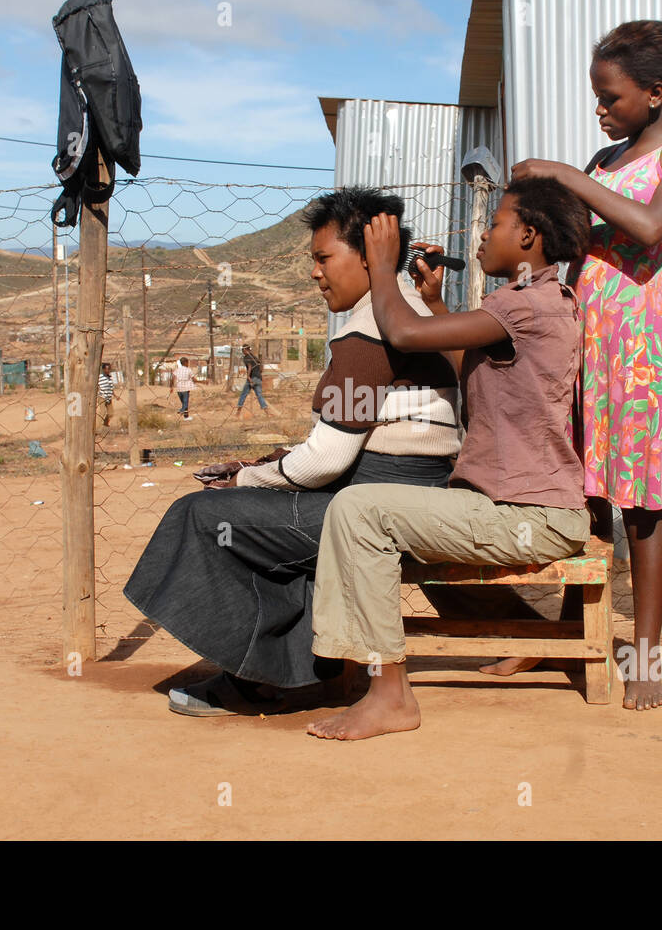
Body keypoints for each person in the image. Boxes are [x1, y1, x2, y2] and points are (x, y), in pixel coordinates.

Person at [123, 187, 461, 717]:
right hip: (417, 496)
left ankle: (263, 680)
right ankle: (311, 673)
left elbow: (326, 461)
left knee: (202, 516)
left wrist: (246, 481)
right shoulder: (418, 314)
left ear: (371, 255)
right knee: (270, 517)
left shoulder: (368, 333)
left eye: (324, 258)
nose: (315, 272)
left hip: (375, 508)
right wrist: (268, 470)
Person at [304, 176, 594, 741]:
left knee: (358, 511)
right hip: (527, 507)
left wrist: (384, 269)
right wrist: (434, 298)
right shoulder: (537, 304)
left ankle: (388, 695)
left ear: (529, 235)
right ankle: (518, 639)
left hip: (528, 514)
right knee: (406, 512)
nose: (481, 237)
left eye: (495, 224)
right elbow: (473, 368)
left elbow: (406, 332)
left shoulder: (526, 304)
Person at [508, 20, 662, 710]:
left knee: (642, 503)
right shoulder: (603, 161)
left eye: (611, 98)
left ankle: (647, 652)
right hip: (586, 335)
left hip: (640, 346)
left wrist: (565, 174)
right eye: (596, 98)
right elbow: (577, 245)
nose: (600, 110)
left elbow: (651, 227)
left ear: (655, 93)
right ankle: (572, 632)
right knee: (582, 490)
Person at [234, 344, 271, 417]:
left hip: (252, 378)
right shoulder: (255, 357)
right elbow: (261, 368)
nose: (242, 352)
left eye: (242, 350)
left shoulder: (246, 358)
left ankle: (238, 413)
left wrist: (248, 377)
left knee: (243, 395)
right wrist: (258, 375)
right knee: (259, 396)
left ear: (245, 350)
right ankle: (267, 413)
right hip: (258, 378)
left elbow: (250, 367)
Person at [98, 362, 115, 427]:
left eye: (109, 369)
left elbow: (111, 387)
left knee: (111, 413)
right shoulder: (100, 377)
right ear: (103, 369)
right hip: (102, 396)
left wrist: (115, 396)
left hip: (109, 397)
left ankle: (105, 424)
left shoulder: (110, 377)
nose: (108, 370)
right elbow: (97, 385)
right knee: (103, 412)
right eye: (107, 369)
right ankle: (98, 426)